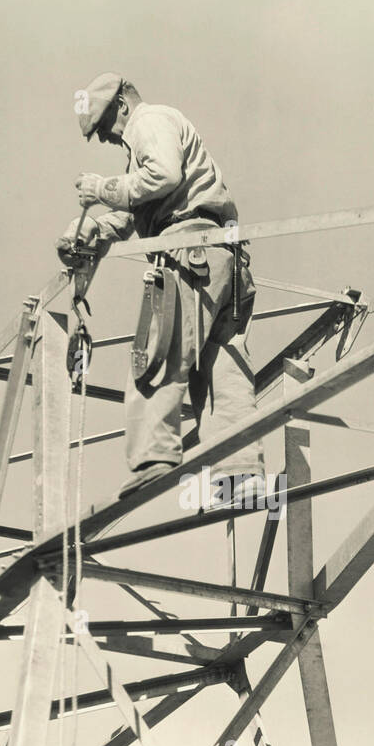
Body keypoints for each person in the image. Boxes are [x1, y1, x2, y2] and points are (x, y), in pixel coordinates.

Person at [57, 74, 265, 503]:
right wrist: (91, 231)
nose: (109, 142)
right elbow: (138, 210)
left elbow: (163, 177)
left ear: (122, 105)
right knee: (223, 367)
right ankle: (239, 470)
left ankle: (153, 458)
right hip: (224, 261)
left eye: (104, 129)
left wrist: (101, 188)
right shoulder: (156, 135)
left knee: (158, 351)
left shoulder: (148, 122)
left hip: (190, 250)